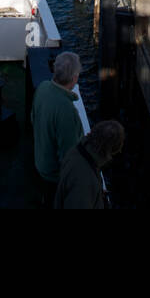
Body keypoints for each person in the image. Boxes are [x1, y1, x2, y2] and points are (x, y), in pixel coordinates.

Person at [32, 51, 86, 206]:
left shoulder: (43, 87)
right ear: (74, 78)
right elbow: (68, 156)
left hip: (40, 161)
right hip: (52, 176)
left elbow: (33, 117)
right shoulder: (66, 111)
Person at [54, 119, 125, 209]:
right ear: (107, 152)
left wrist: (97, 195)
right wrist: (90, 191)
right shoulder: (84, 183)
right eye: (113, 153)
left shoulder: (79, 151)